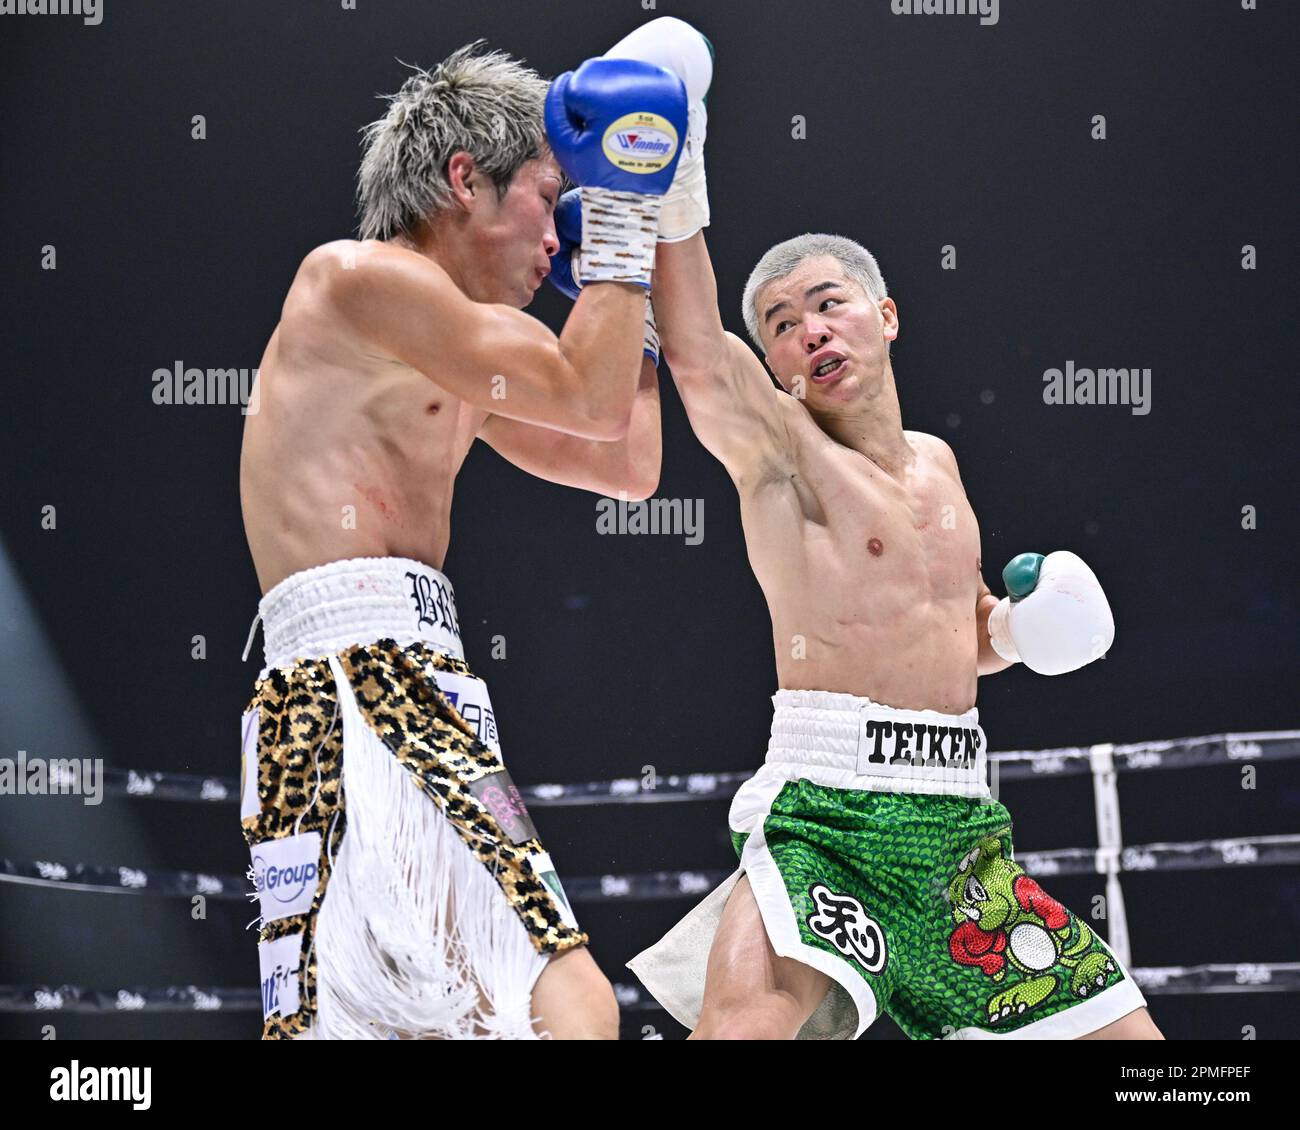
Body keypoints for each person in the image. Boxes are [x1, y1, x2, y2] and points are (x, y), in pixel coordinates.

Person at [623, 18, 1164, 1040]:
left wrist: (1014, 631)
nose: (810, 331)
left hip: (960, 829)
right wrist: (675, 162)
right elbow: (693, 351)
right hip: (826, 811)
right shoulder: (781, 452)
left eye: (828, 304)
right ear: (775, 365)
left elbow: (954, 628)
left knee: (1136, 1049)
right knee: (742, 1025)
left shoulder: (940, 466)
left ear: (886, 316)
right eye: (783, 326)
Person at [237, 40, 686, 1039]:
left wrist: (614, 286)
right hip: (371, 675)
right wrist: (623, 212)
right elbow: (590, 398)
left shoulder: (450, 350)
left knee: (386, 1021)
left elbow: (625, 461)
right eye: (547, 198)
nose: (554, 234)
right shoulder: (352, 280)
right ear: (463, 180)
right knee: (562, 998)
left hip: (350, 690)